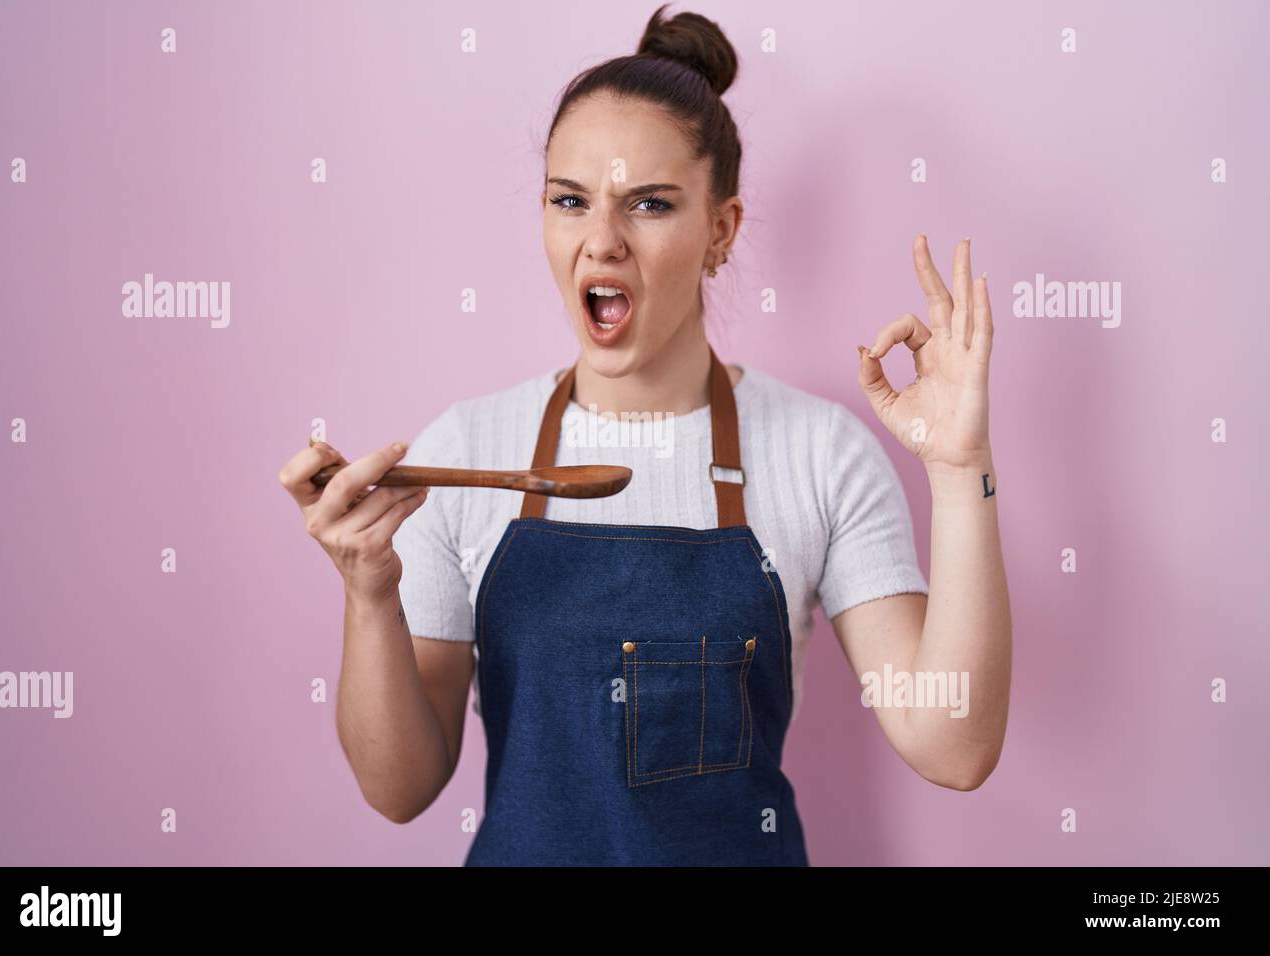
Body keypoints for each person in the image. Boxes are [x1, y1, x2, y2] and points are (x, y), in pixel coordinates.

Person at [278, 4, 1012, 866]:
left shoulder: (821, 453)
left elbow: (954, 747)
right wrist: (367, 589)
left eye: (650, 204)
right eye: (569, 201)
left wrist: (962, 471)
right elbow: (397, 788)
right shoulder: (470, 447)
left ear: (721, 231)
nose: (602, 244)